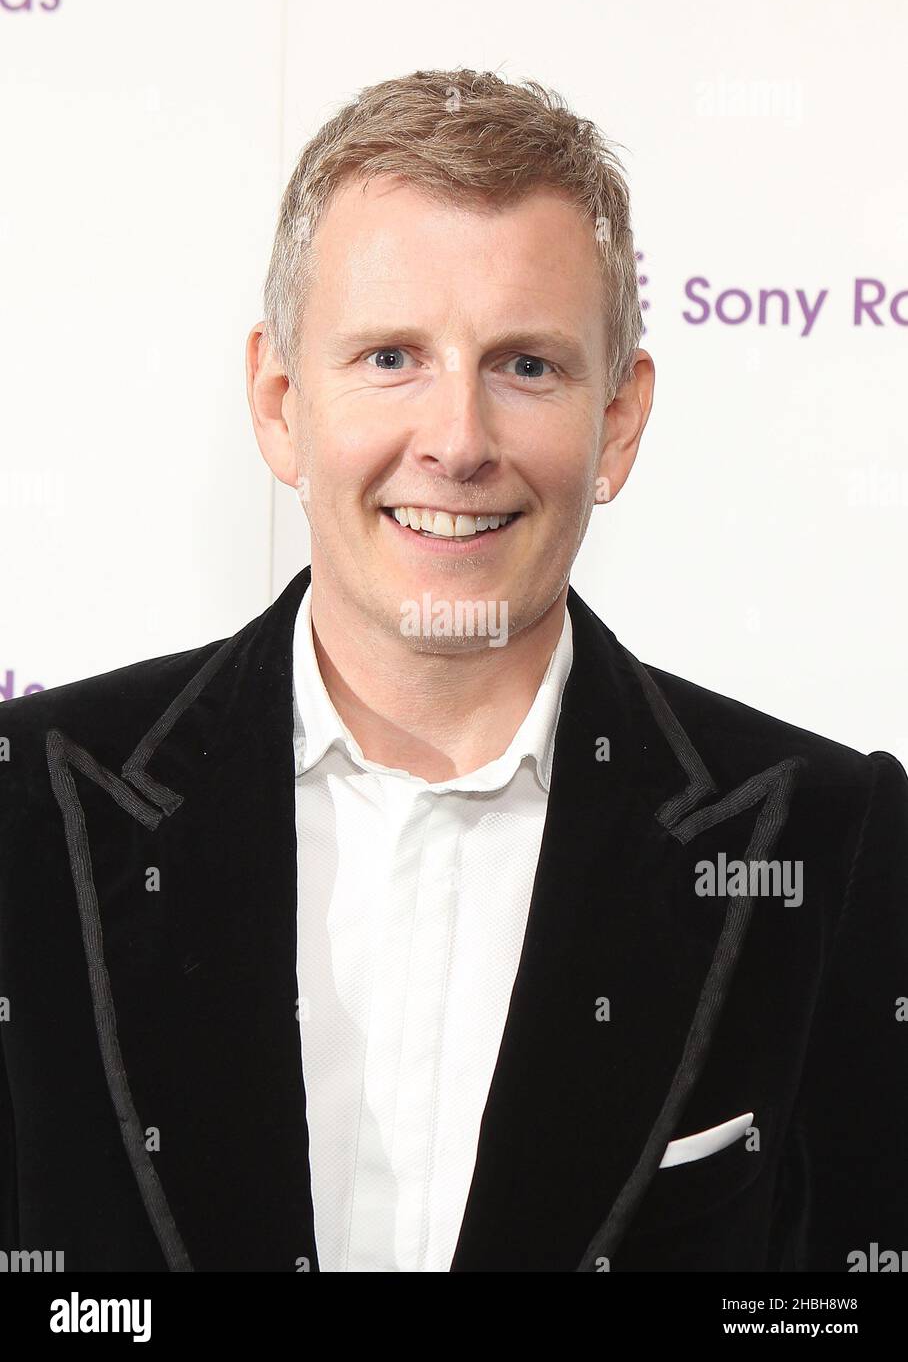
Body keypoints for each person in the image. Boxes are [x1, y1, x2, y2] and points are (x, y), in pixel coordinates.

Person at [0, 68, 905, 1274]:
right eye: (389, 357)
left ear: (618, 421)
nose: (458, 441)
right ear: (279, 401)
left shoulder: (832, 840)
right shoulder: (26, 810)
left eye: (524, 365)